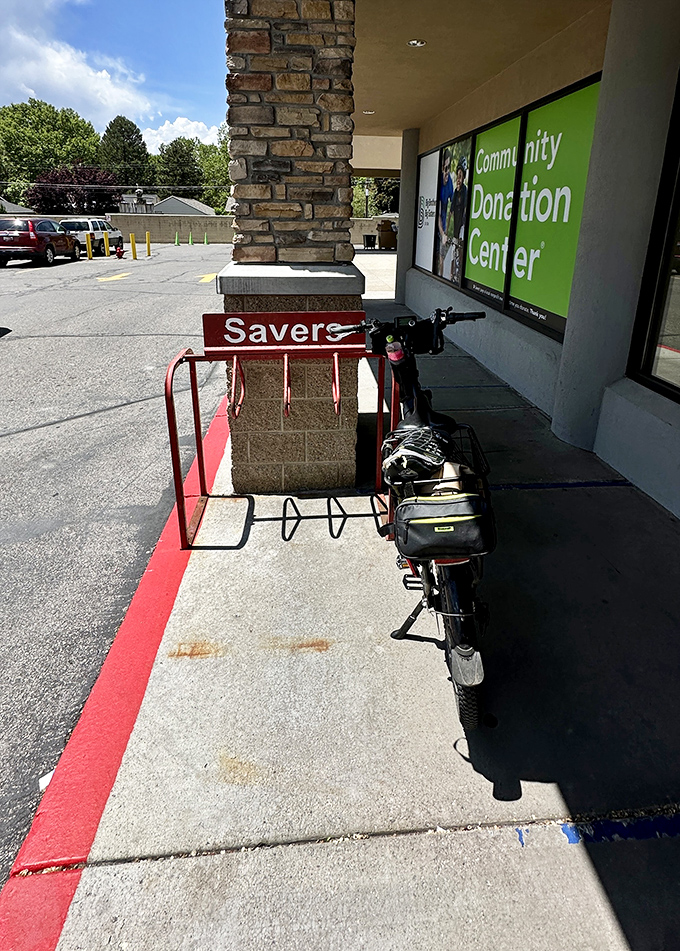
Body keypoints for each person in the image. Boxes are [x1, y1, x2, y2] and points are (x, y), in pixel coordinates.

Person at [450, 155, 468, 284]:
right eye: (458, 176)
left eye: (461, 176)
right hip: (455, 225)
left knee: (460, 247)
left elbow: (466, 208)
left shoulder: (465, 191)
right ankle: (452, 275)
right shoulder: (456, 192)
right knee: (453, 249)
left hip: (461, 224)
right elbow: (451, 210)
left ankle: (460, 271)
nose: (458, 179)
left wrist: (464, 225)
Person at [436, 149, 453, 276]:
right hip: (437, 226)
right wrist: (442, 233)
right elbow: (437, 213)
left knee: (442, 258)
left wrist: (447, 232)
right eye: (444, 168)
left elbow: (452, 207)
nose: (446, 172)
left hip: (443, 226)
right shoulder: (437, 184)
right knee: (437, 258)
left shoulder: (450, 182)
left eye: (448, 168)